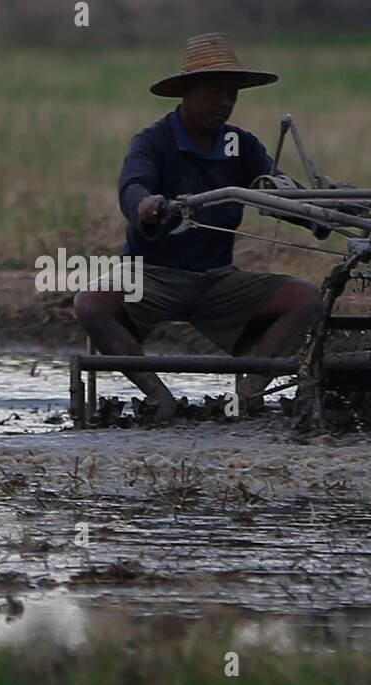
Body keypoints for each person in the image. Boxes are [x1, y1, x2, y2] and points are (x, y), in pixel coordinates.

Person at [73, 33, 326, 421]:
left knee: (305, 298)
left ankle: (250, 393)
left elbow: (273, 191)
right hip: (152, 276)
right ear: (187, 92)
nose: (224, 103)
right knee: (91, 303)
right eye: (214, 93)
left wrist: (316, 212)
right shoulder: (154, 141)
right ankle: (160, 397)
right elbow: (132, 187)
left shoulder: (238, 145)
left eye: (231, 95)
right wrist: (145, 205)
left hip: (218, 280)